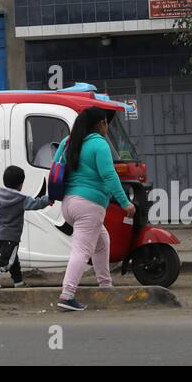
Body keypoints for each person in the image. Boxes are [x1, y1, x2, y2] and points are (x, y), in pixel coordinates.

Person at [56, 106, 133, 312]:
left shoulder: (68, 142)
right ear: (101, 124)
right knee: (82, 250)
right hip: (89, 205)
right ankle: (67, 294)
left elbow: (55, 170)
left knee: (101, 240)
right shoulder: (99, 144)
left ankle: (105, 284)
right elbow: (109, 176)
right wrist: (125, 202)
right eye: (107, 123)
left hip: (69, 204)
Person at [0, 165, 52, 288]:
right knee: (7, 261)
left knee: (13, 261)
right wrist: (49, 200)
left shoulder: (0, 195)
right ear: (21, 184)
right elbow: (36, 204)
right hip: (11, 236)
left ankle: (18, 282)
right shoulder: (20, 199)